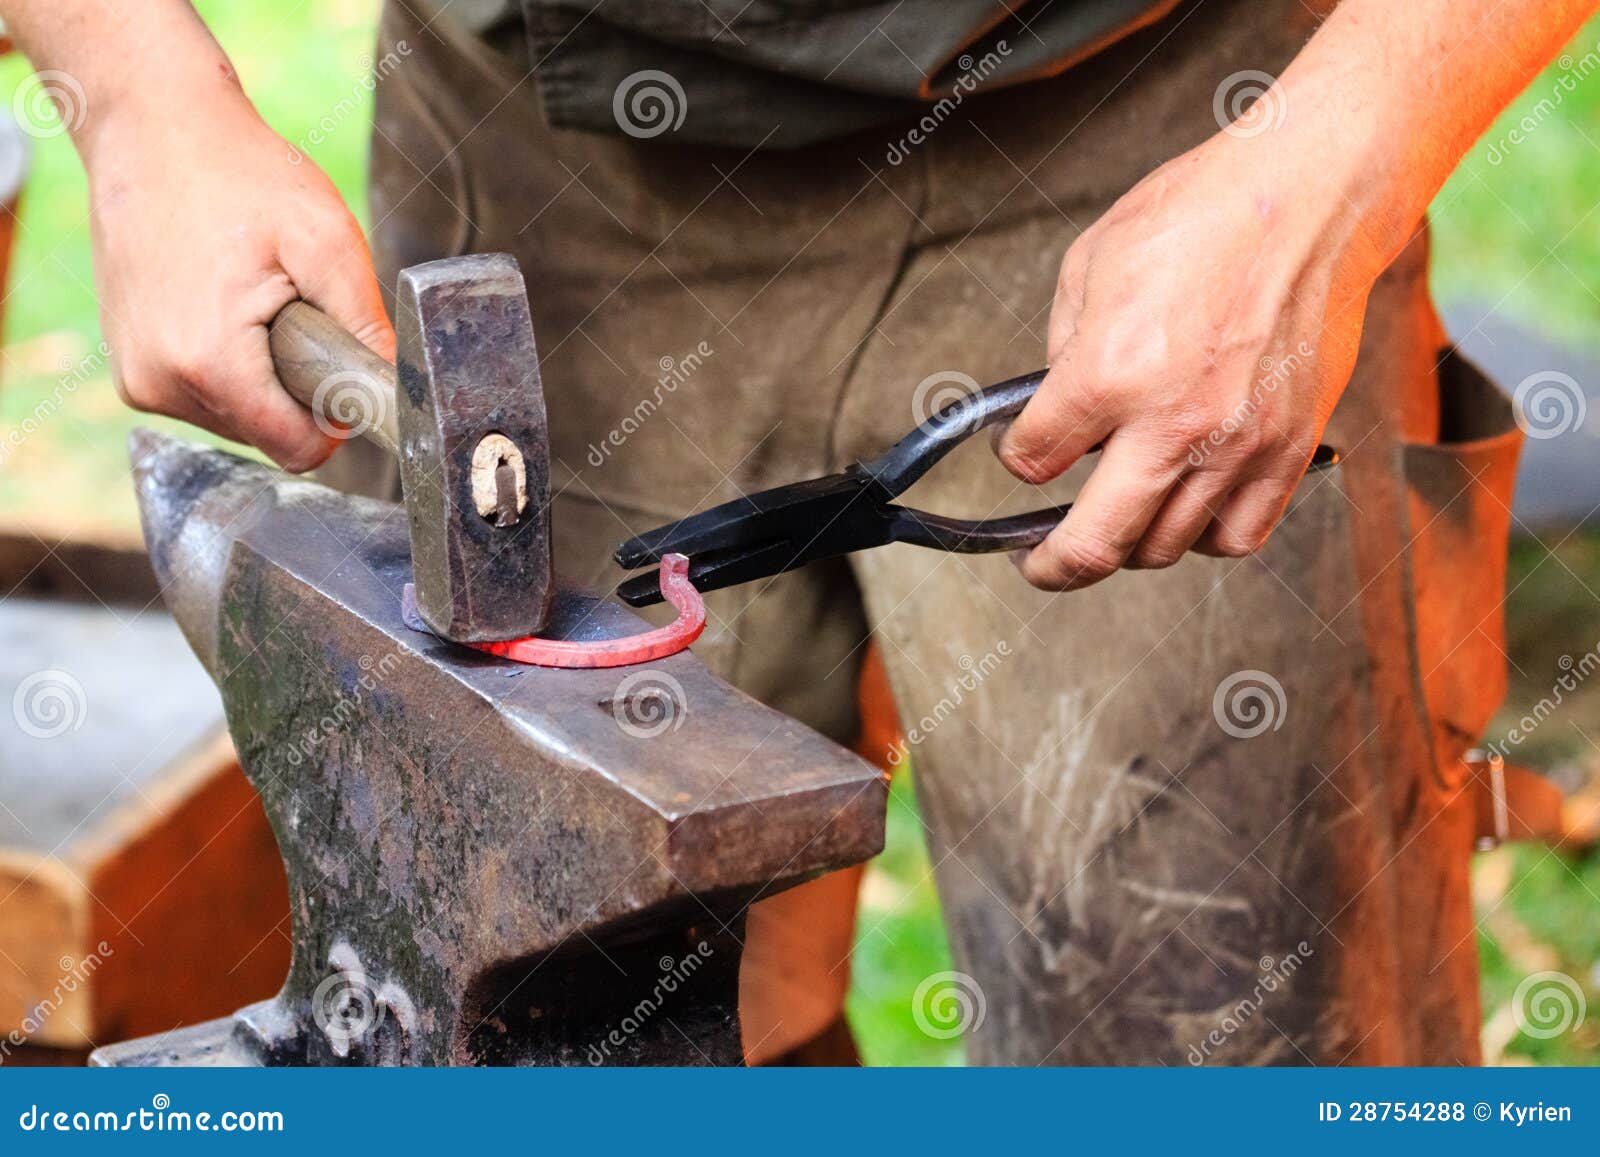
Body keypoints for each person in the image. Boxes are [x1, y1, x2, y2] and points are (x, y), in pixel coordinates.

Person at [8, 0, 1591, 1064]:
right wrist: (136, 80)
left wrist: (1330, 166)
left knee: (1218, 1042)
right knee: (582, 1018)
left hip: (1194, 110)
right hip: (546, 136)